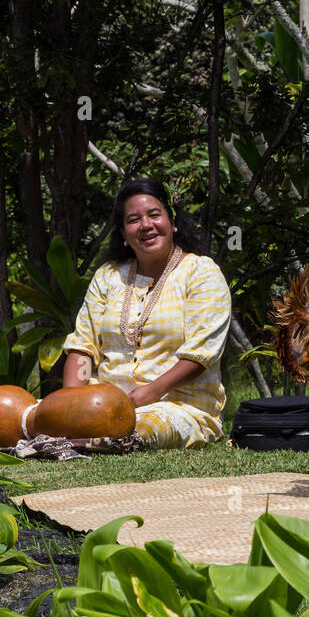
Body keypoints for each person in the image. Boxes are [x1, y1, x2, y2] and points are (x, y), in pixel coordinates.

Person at [59, 178, 231, 448]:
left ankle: (85, 439)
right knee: (27, 415)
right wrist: (69, 405)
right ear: (124, 235)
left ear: (172, 222)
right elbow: (83, 345)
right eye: (133, 219)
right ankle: (79, 435)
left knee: (140, 427)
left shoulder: (201, 272)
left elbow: (201, 354)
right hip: (100, 403)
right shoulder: (109, 276)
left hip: (176, 406)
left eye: (154, 214)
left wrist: (147, 394)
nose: (146, 225)